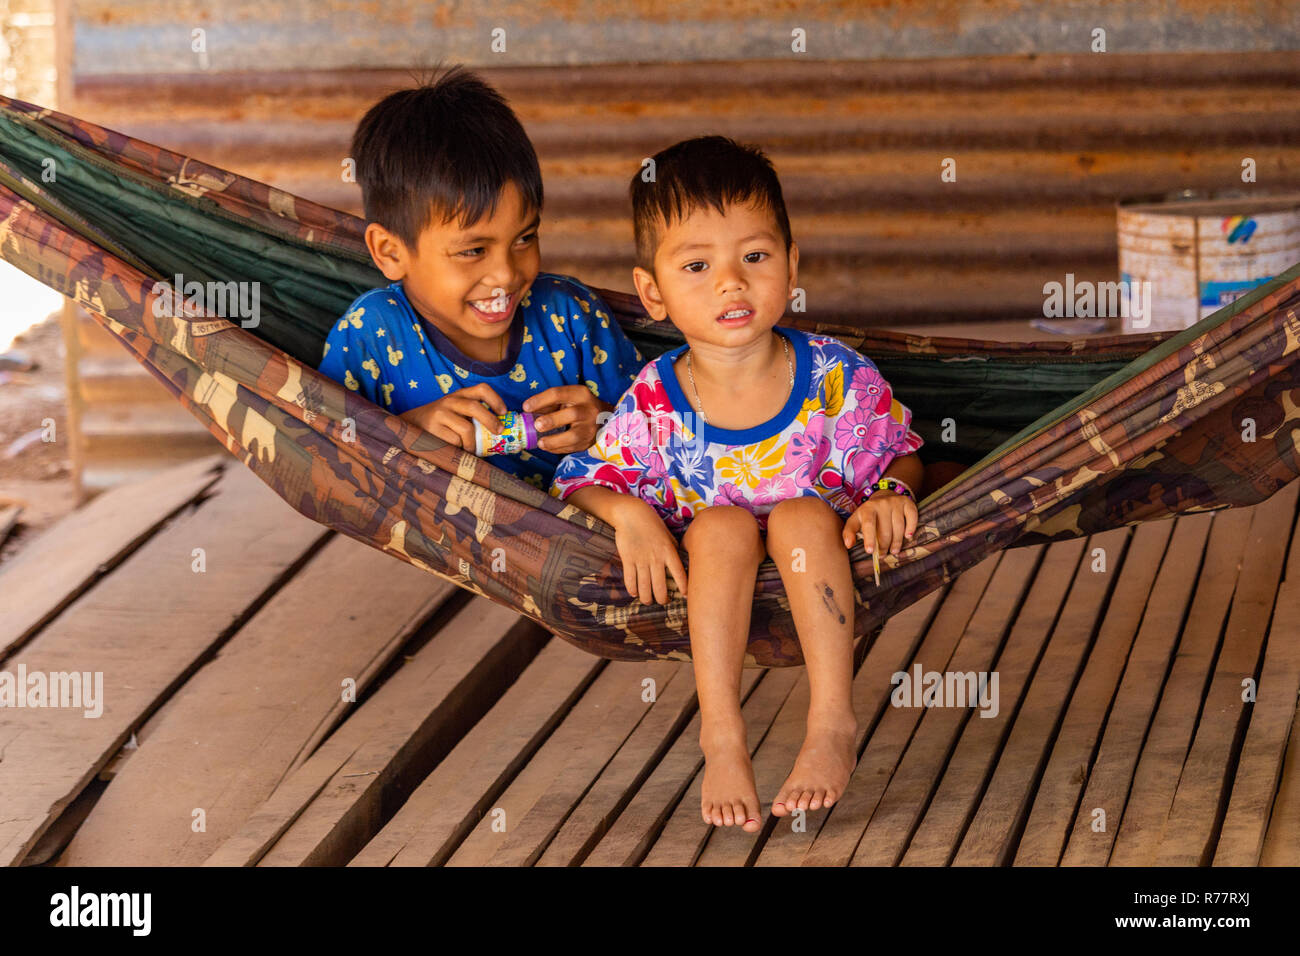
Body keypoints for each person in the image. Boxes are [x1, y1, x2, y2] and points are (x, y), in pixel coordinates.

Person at [549, 136, 925, 831]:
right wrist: (629, 515)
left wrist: (892, 496)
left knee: (799, 518)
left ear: (792, 265)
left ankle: (831, 723)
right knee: (719, 528)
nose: (731, 282)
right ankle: (721, 735)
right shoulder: (655, 402)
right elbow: (581, 478)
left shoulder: (836, 378)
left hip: (815, 556)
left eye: (755, 257)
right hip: (719, 570)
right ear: (651, 293)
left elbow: (901, 452)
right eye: (698, 265)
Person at [319, 66, 644, 488]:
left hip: (594, 527)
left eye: (525, 238)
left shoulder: (569, 314)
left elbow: (663, 431)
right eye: (473, 250)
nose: (507, 273)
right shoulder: (372, 335)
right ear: (391, 252)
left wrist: (604, 420)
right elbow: (321, 460)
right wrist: (409, 432)